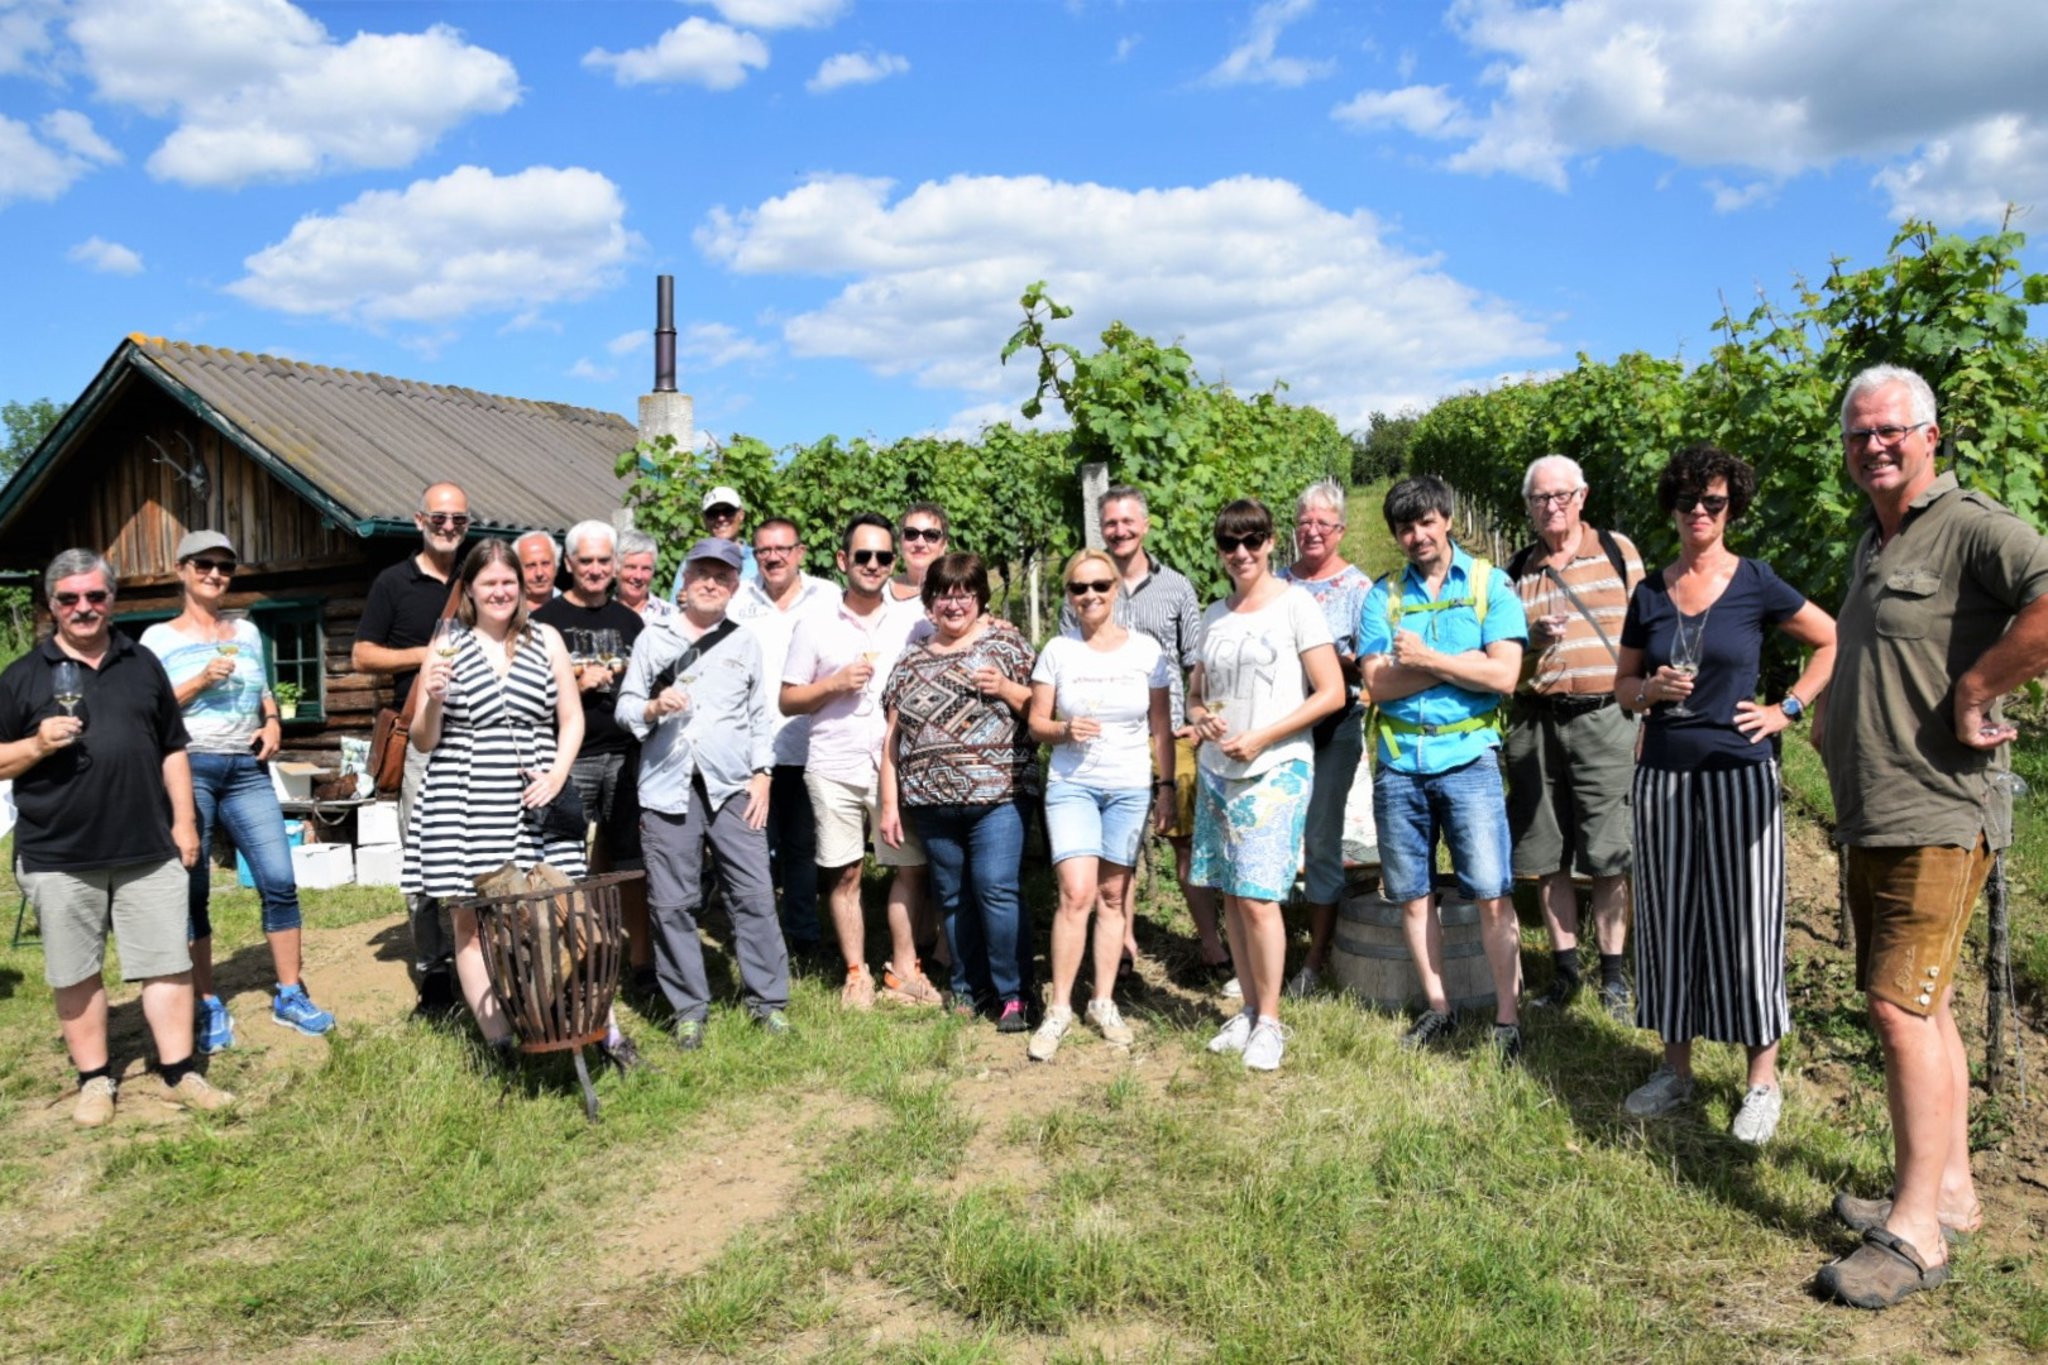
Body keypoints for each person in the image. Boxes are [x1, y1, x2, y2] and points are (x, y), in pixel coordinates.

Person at [1813, 365, 2048, 1309]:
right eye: (1860, 433)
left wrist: (1981, 685)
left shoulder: (1974, 527)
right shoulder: (1877, 540)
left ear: (1931, 435)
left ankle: (1914, 1235)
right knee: (1929, 1005)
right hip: (1879, 809)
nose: (1874, 444)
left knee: (1898, 1011)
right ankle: (1947, 1192)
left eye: (1891, 430)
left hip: (1937, 814)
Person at [1612, 443, 1835, 1144]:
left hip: (1743, 777)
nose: (1700, 513)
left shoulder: (1756, 582)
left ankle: (1760, 1082)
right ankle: (1675, 1071)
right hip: (1664, 778)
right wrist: (1650, 689)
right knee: (1671, 919)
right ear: (1671, 508)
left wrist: (1786, 711)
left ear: (1731, 507)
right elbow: (1621, 690)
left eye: (1713, 501)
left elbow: (1831, 639)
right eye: (1687, 501)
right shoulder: (1649, 593)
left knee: (1748, 923)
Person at [0, 550, 232, 1124]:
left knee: (167, 963)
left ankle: (180, 1071)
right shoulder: (21, 677)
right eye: (70, 599)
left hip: (148, 846)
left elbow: (172, 747)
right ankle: (95, 1081)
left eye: (95, 596)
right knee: (76, 971)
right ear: (51, 606)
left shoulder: (142, 663)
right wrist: (36, 746)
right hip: (59, 851)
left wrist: (184, 823)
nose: (84, 608)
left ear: (112, 600)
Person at [402, 539, 640, 1070]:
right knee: (472, 920)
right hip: (462, 795)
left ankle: (607, 1034)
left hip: (539, 794)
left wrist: (558, 773)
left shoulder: (546, 639)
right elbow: (422, 738)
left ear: (522, 585)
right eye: (488, 583)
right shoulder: (446, 645)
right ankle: (503, 1045)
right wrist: (434, 695)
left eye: (507, 581)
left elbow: (572, 719)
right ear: (469, 590)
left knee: (567, 908)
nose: (500, 591)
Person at [140, 531, 335, 1052]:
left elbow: (265, 692)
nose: (215, 574)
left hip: (247, 769)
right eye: (203, 564)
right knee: (193, 888)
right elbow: (148, 710)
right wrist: (201, 680)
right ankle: (205, 1003)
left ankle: (290, 994)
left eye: (225, 567)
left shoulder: (246, 632)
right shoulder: (158, 640)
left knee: (278, 877)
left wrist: (272, 724)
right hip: (190, 767)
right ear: (181, 569)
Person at [1357, 476, 1529, 1062]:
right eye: (1406, 527)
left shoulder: (1490, 584)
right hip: (1400, 762)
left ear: (1447, 519)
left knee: (1491, 892)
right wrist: (1463, 663)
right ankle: (1438, 1008)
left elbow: (1505, 676)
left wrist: (1426, 659)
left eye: (1426, 522)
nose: (1417, 535)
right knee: (1411, 894)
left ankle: (1508, 1017)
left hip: (1469, 759)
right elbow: (1377, 684)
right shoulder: (1382, 596)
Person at [1185, 500, 1345, 1072]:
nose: (1242, 554)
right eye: (1230, 544)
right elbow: (1195, 692)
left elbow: (1331, 693)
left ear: (1272, 542)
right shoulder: (1213, 616)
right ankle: (1249, 1009)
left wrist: (1262, 737)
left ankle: (1271, 1022)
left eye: (1252, 541)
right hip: (1217, 769)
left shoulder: (1297, 605)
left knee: (1259, 896)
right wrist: (1201, 717)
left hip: (1275, 767)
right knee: (1231, 891)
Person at [617, 539, 791, 1048]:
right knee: (672, 903)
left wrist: (764, 774)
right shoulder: (655, 639)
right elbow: (626, 708)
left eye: (723, 576)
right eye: (702, 574)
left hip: (735, 787)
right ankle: (689, 1009)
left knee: (755, 895)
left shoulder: (745, 642)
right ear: (685, 580)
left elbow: (762, 717)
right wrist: (652, 708)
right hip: (668, 789)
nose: (712, 583)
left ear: (735, 586)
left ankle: (769, 1002)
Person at [780, 514, 942, 1010]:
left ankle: (904, 968)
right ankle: (856, 973)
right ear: (842, 560)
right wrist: (833, 685)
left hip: (896, 765)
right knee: (845, 873)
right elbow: (789, 700)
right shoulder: (815, 624)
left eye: (883, 557)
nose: (874, 565)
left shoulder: (912, 621)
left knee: (910, 867)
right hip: (834, 765)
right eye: (864, 555)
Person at [1505, 455, 1645, 1019]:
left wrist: (1648, 713)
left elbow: (1650, 630)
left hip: (1606, 716)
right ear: (1529, 507)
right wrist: (1532, 638)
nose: (1551, 506)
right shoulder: (1516, 569)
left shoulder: (1617, 552)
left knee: (1610, 853)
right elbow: (1504, 657)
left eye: (1561, 495)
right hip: (1536, 719)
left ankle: (1613, 976)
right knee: (1547, 852)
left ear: (1582, 496)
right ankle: (1565, 972)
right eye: (1540, 498)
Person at [1024, 548, 1174, 1059]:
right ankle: (1059, 1007)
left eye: (1099, 586)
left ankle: (1102, 1000)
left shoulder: (1146, 651)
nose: (1089, 595)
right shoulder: (1057, 652)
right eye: (1079, 588)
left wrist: (1167, 786)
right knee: (1076, 892)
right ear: (1068, 595)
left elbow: (1160, 727)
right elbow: (1036, 724)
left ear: (1116, 590)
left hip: (1129, 787)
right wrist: (1064, 730)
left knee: (1113, 897)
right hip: (1074, 786)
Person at [880, 553, 1040, 1030]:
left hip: (999, 798)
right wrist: (890, 802)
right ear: (929, 602)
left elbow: (1043, 708)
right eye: (944, 593)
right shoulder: (910, 658)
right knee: (952, 898)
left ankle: (1015, 993)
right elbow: (892, 736)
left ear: (979, 598)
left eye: (965, 592)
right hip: (930, 804)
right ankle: (968, 989)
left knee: (996, 890)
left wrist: (1008, 689)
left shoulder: (1006, 642)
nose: (954, 603)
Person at [1089, 486, 1226, 985]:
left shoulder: (1177, 587)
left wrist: (1200, 712)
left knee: (1185, 843)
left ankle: (1211, 946)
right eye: (1110, 523)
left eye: (1128, 522)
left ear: (1145, 526)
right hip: (1109, 737)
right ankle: (1122, 949)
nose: (1120, 531)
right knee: (1117, 850)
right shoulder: (1088, 584)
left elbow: (1196, 661)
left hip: (1171, 733)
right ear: (1101, 529)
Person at [353, 480, 469, 1014]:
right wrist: (425, 656)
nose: (449, 527)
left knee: (482, 849)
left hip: (475, 733)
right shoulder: (392, 583)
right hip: (421, 734)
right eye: (439, 519)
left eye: (458, 520)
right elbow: (362, 656)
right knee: (421, 853)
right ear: (419, 521)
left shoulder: (478, 578)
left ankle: (483, 961)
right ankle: (435, 971)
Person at [532, 520, 652, 993]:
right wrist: (573, 687)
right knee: (565, 866)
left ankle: (642, 965)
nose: (597, 569)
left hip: (624, 758)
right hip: (570, 759)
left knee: (631, 864)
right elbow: (529, 699)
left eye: (605, 560)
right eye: (587, 561)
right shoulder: (546, 624)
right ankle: (575, 965)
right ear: (570, 565)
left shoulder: (632, 622)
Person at [1274, 478, 1374, 998]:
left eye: (1322, 523)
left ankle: (1315, 958)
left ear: (1340, 529)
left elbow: (1371, 665)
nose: (1312, 531)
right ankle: (1268, 950)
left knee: (1319, 837)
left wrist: (1332, 660)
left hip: (1333, 725)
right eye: (1304, 522)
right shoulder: (1276, 582)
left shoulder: (1359, 590)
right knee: (1272, 828)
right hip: (1278, 722)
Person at [730, 516, 841, 959]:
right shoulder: (738, 599)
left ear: (800, 552)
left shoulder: (828, 597)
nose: (773, 557)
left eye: (782, 549)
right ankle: (759, 940)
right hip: (751, 750)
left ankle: (803, 935)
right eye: (763, 551)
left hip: (808, 743)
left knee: (801, 847)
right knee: (754, 850)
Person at [668, 484, 759, 598]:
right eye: (713, 513)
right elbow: (676, 605)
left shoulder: (759, 560)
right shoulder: (690, 562)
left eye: (728, 511)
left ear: (741, 514)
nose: (721, 518)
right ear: (704, 520)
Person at [617, 529, 675, 625]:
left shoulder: (671, 616)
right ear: (616, 569)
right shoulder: (601, 613)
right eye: (631, 567)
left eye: (646, 568)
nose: (638, 576)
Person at [515, 531, 559, 614]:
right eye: (531, 565)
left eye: (545, 564)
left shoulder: (572, 610)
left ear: (556, 567)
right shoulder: (505, 613)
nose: (539, 573)